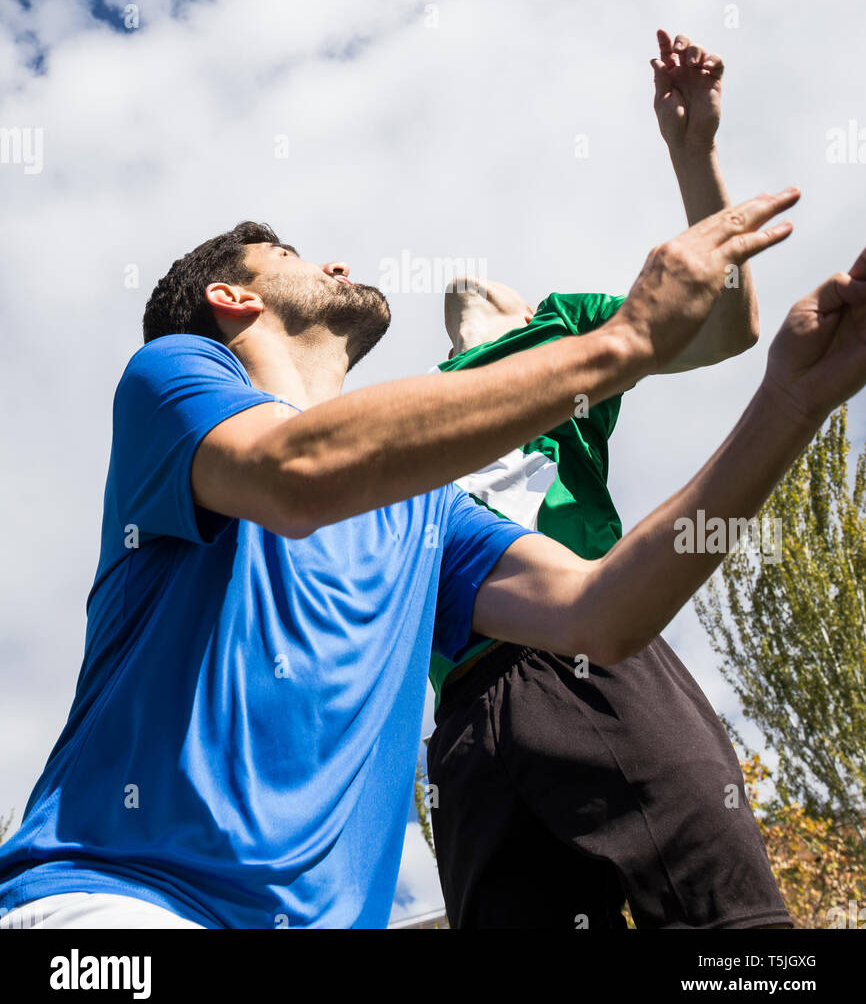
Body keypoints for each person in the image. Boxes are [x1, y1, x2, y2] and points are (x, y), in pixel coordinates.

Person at [0, 171, 860, 928]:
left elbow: (603, 611)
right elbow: (295, 471)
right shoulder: (174, 376)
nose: (336, 264)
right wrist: (622, 341)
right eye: (295, 253)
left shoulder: (424, 510)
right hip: (120, 902)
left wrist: (789, 403)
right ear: (234, 298)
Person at [426, 34, 803, 929]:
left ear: (523, 307)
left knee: (724, 925)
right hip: (465, 711)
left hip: (590, 637)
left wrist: (693, 152)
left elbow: (723, 329)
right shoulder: (414, 411)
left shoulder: (566, 331)